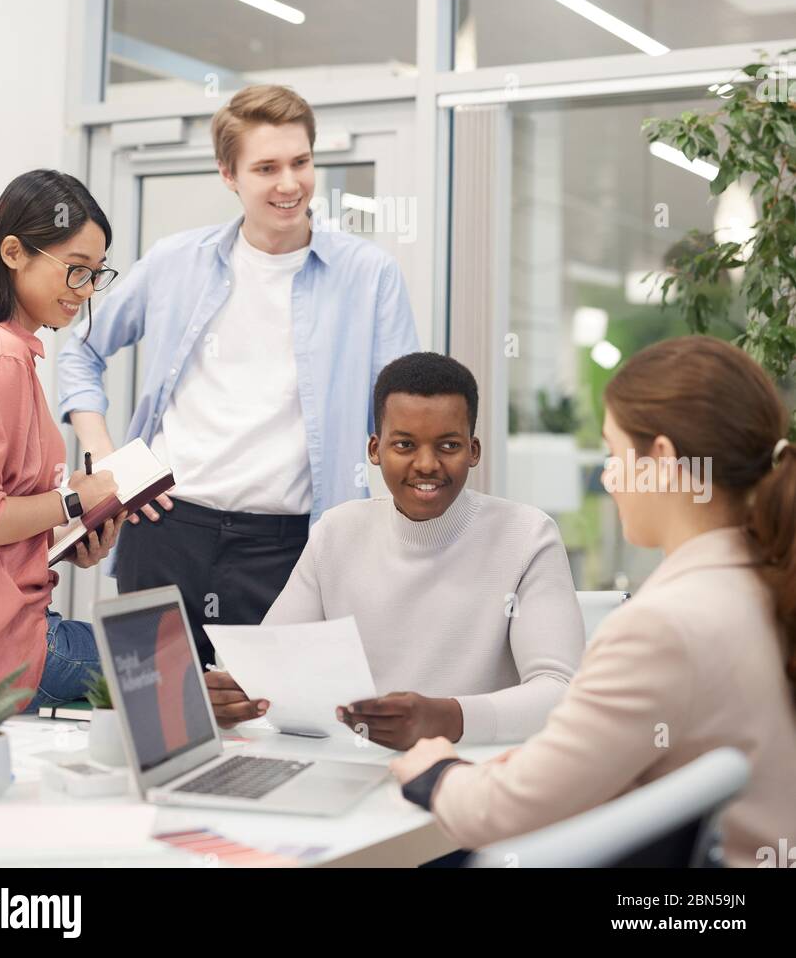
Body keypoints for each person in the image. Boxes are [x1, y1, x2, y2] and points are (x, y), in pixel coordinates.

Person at [390, 335, 796, 868]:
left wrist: (434, 767)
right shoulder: (765, 581)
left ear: (661, 460)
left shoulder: (663, 627)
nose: (608, 478)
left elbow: (494, 812)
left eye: (613, 453)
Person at [58, 84, 419, 667]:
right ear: (229, 175)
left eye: (301, 162)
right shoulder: (177, 261)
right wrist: (107, 461)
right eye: (266, 167)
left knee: (280, 721)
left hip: (290, 547)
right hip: (166, 528)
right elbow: (81, 351)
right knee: (159, 724)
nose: (289, 183)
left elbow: (405, 410)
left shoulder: (368, 275)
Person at [206, 352, 585, 747]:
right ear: (375, 449)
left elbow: (561, 692)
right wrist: (228, 698)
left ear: (474, 451)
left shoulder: (527, 536)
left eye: (448, 446)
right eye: (404, 444)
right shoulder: (336, 532)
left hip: (471, 772)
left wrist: (447, 717)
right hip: (350, 768)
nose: (426, 464)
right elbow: (266, 668)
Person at [0, 171, 127, 720]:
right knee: (169, 657)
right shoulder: (0, 358)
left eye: (96, 274)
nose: (85, 291)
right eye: (75, 270)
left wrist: (68, 533)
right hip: (6, 650)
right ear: (14, 252)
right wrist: (73, 501)